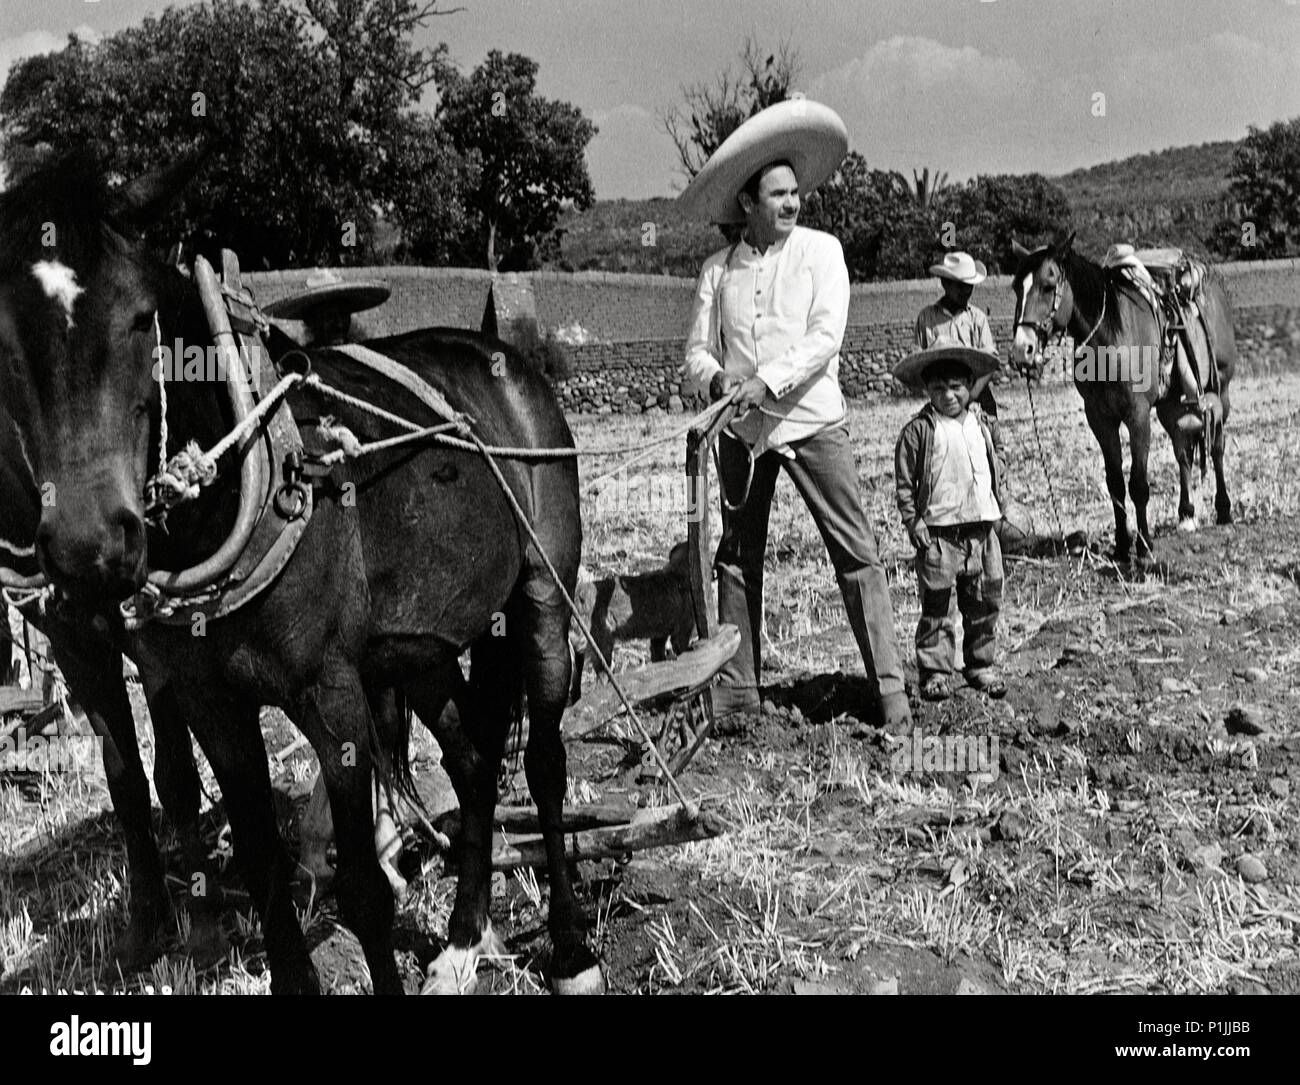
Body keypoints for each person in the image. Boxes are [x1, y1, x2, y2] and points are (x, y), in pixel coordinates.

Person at [679, 99, 912, 730]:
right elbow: (696, 353)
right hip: (743, 432)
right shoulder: (716, 271)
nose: (791, 203)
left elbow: (823, 338)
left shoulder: (822, 252)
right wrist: (720, 380)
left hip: (812, 422)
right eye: (777, 195)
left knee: (856, 551)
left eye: (795, 193)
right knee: (734, 558)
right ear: (747, 204)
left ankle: (890, 692)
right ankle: (735, 698)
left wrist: (765, 382)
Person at [893, 342, 1008, 702]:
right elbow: (904, 483)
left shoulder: (984, 425)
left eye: (956, 386)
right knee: (938, 606)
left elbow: (997, 463)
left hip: (982, 528)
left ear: (970, 386)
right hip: (940, 534)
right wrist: (914, 522)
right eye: (939, 388)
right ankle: (936, 671)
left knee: (984, 599)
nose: (948, 395)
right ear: (927, 390)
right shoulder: (918, 432)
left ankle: (980, 664)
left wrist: (1000, 503)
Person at [914, 251, 1001, 417]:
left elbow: (991, 362)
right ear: (945, 283)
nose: (966, 290)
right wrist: (940, 393)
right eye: (960, 285)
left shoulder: (977, 318)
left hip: (977, 395)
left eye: (970, 285)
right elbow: (918, 361)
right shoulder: (927, 318)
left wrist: (970, 396)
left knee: (988, 437)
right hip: (942, 399)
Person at [263, 268, 391, 348]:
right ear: (311, 321)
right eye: (329, 317)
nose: (339, 324)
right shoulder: (302, 363)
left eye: (344, 315)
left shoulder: (366, 357)